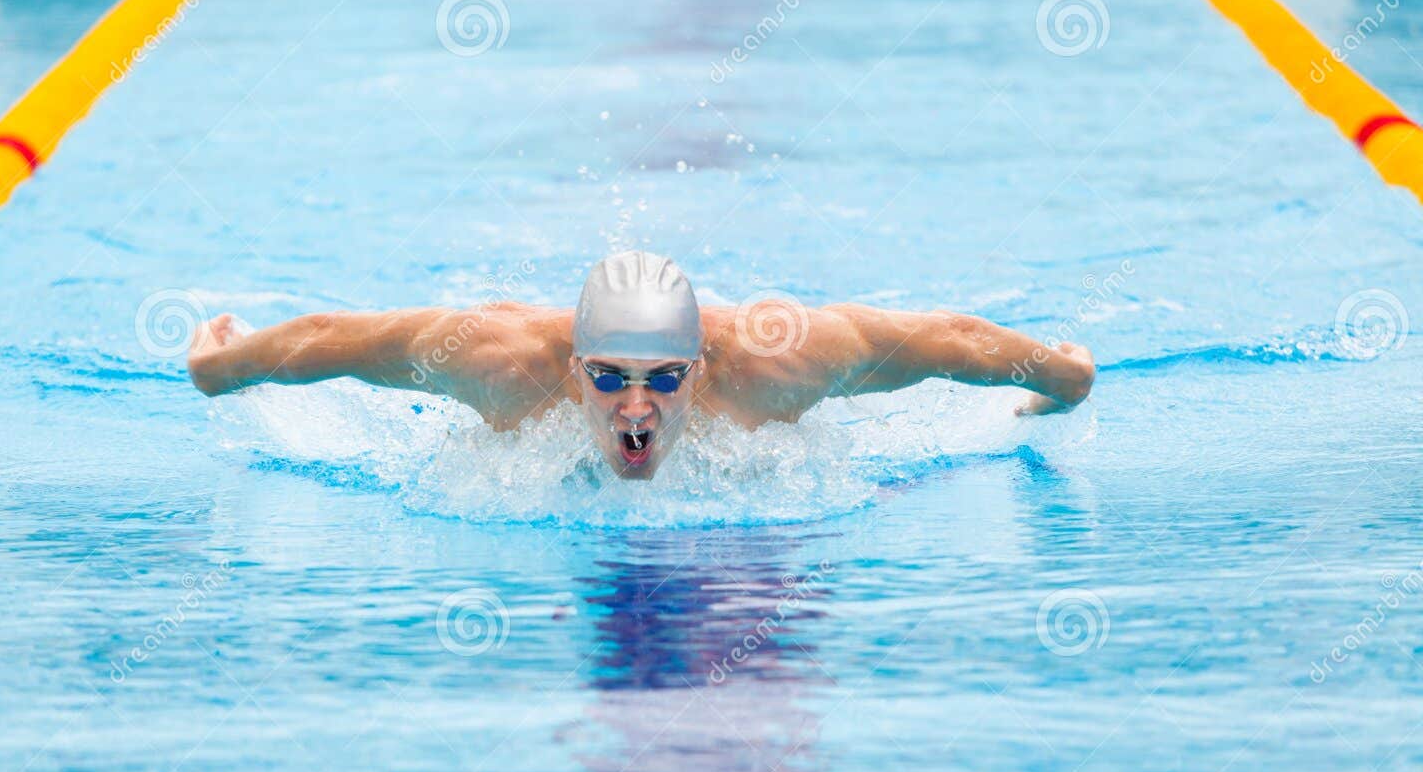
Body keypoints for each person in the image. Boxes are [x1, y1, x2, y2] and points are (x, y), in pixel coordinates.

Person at [186, 251, 1094, 480]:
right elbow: (336, 340)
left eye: (664, 377)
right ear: (573, 366)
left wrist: (1062, 378)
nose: (635, 403)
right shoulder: (497, 363)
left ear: (701, 369)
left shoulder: (785, 364)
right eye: (610, 375)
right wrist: (219, 371)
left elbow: (952, 343)